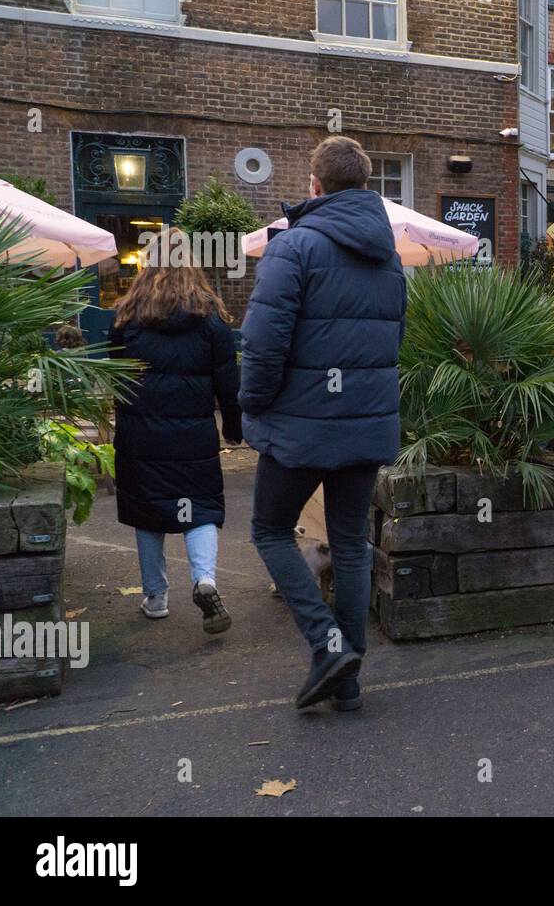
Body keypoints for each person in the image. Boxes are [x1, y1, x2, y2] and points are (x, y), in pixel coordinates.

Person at [240, 136, 405, 712]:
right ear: (366, 186)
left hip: (300, 425)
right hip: (364, 424)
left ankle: (329, 646)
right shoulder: (388, 255)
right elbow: (392, 344)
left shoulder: (294, 246)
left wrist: (252, 406)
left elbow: (262, 345)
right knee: (353, 544)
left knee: (268, 530)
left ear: (314, 185)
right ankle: (348, 682)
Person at [110, 228, 240, 633]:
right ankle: (205, 580)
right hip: (193, 435)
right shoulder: (211, 319)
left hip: (140, 433)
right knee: (198, 506)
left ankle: (156, 596)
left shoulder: (126, 318)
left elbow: (116, 379)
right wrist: (233, 428)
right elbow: (229, 383)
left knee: (147, 511)